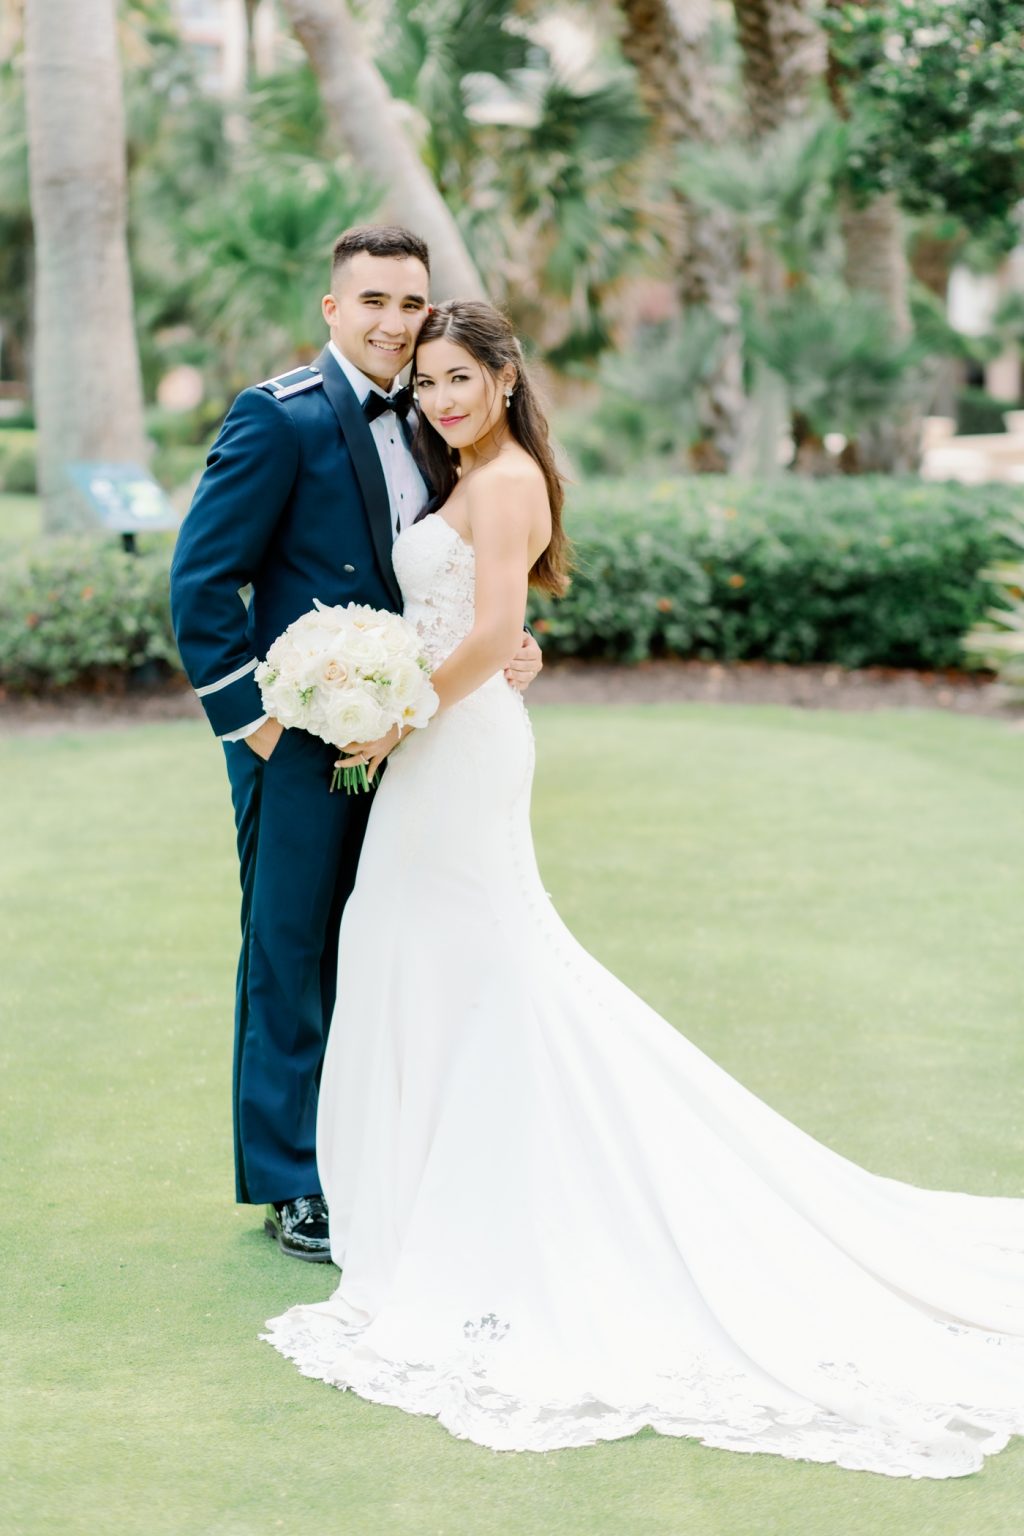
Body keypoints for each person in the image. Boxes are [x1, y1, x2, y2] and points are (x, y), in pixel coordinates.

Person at [262, 299, 1024, 1477]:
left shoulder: (504, 481)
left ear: (505, 377)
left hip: (454, 749)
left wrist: (393, 717)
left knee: (474, 958)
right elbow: (471, 628)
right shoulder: (466, 475)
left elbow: (492, 633)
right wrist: (382, 682)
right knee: (418, 949)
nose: (442, 399)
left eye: (460, 377)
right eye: (427, 383)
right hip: (442, 738)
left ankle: (495, 1202)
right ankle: (433, 1193)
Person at [169, 230, 543, 1261]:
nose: (393, 322)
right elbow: (201, 580)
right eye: (372, 300)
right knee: (288, 949)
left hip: (413, 738)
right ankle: (292, 1181)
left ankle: (374, 1150)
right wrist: (254, 724)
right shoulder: (277, 415)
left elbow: (453, 569)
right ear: (333, 309)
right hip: (299, 736)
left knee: (382, 942)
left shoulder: (435, 417)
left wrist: (509, 640)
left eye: (411, 303)